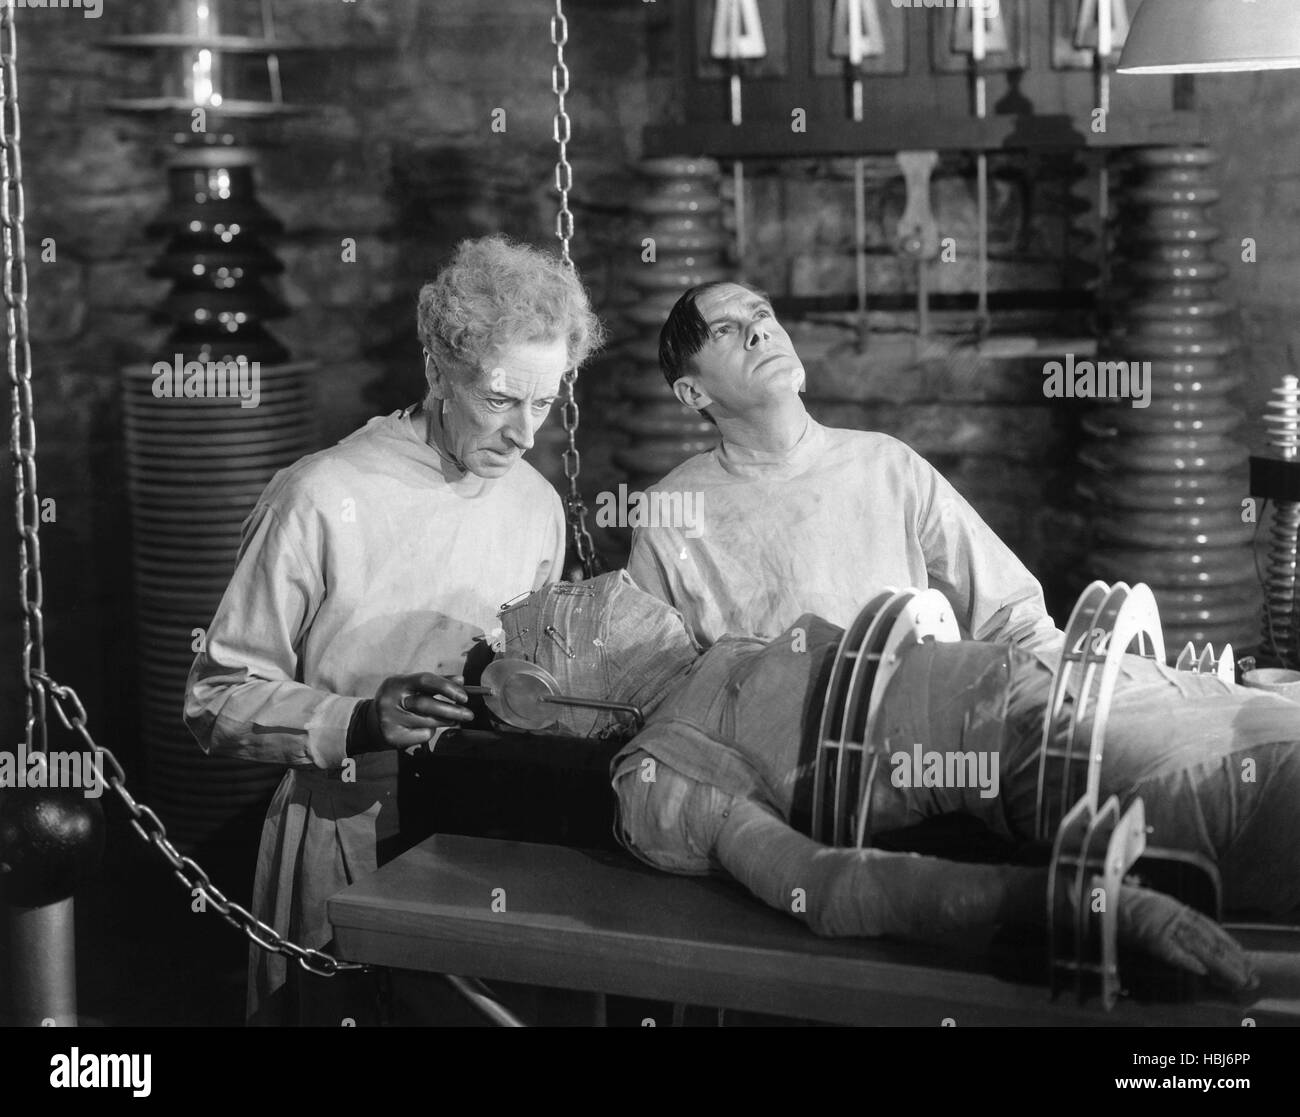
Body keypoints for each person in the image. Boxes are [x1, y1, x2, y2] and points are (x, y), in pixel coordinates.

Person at [489, 570, 1300, 994]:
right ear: (545, 696)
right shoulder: (663, 774)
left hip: (1126, 685)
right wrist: (1064, 903)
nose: (594, 585)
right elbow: (831, 889)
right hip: (1074, 753)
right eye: (564, 610)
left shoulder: (725, 652)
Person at [184, 234, 605, 1024]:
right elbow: (216, 697)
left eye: (545, 402)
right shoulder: (318, 497)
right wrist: (363, 719)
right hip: (343, 831)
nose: (525, 433)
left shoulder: (536, 504)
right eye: (500, 398)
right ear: (439, 369)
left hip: (483, 829)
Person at [628, 281, 1064, 657]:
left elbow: (1013, 615)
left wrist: (1069, 700)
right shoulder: (668, 512)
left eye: (762, 315)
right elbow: (653, 680)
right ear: (692, 392)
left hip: (898, 741)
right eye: (724, 330)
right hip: (750, 749)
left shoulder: (889, 466)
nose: (758, 332)